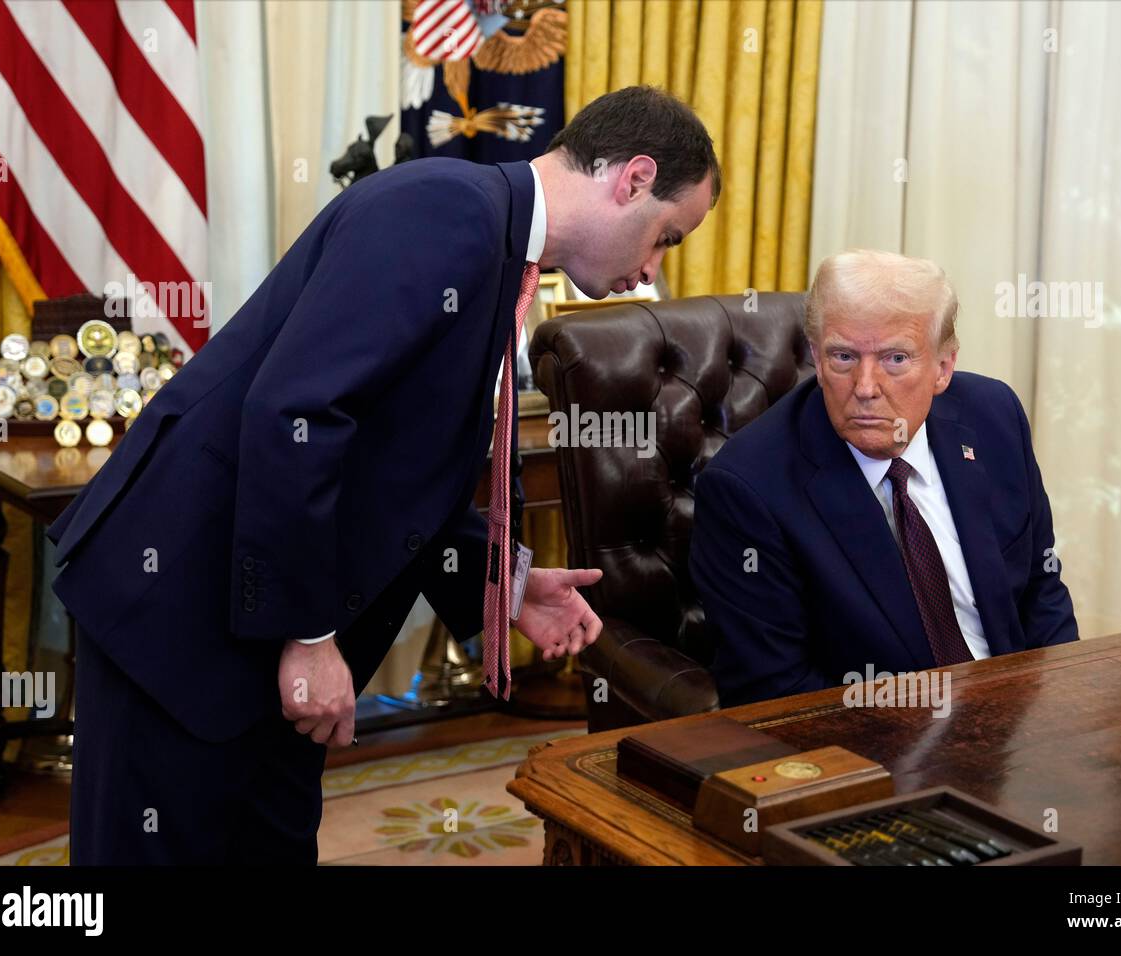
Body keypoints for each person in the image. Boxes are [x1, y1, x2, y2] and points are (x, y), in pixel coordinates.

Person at [48, 85, 721, 864]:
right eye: (667, 237)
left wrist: (501, 578)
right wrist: (306, 633)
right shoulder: (445, 210)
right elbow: (297, 414)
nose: (651, 271)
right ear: (632, 179)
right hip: (181, 610)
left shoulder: (495, 240)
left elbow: (400, 463)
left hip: (245, 614)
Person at [690, 249, 1076, 707]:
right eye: (843, 356)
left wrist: (1059, 708)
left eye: (895, 358)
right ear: (815, 355)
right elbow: (777, 692)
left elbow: (1040, 588)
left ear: (943, 368)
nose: (866, 387)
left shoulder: (993, 416)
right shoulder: (749, 488)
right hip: (880, 747)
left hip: (1016, 716)